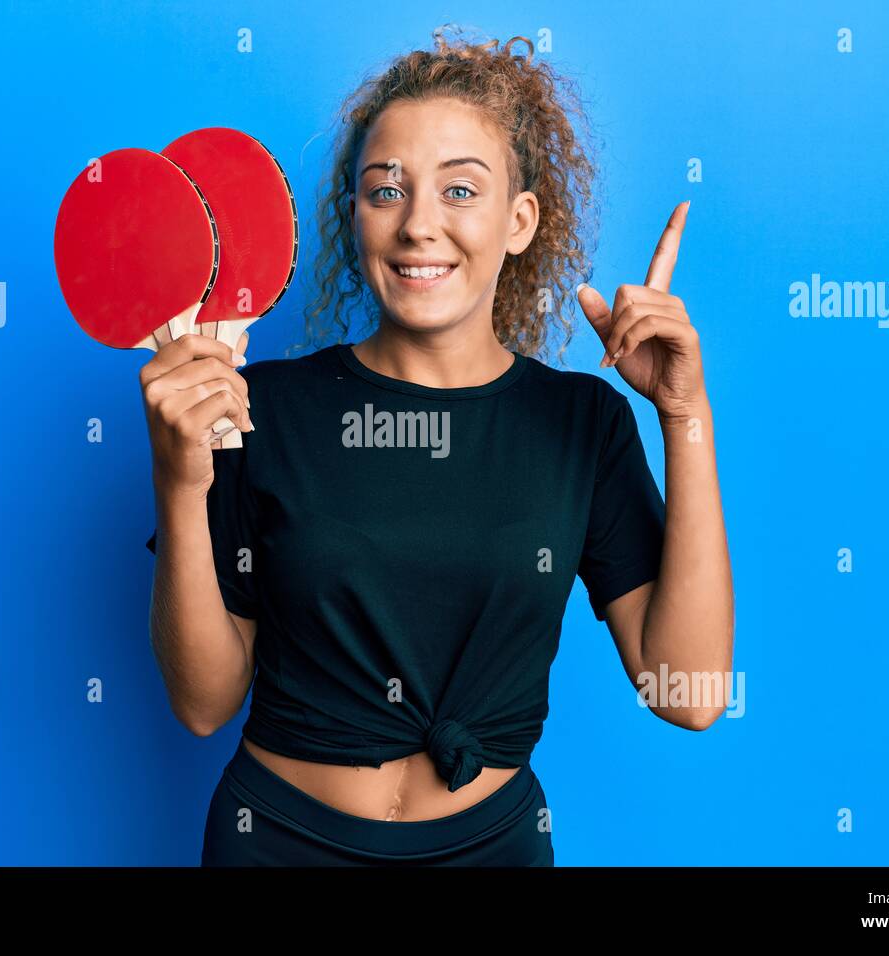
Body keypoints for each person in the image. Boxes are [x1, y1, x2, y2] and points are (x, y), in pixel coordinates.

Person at [140, 28, 733, 866]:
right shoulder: (256, 408)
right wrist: (178, 478)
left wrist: (683, 412)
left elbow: (694, 692)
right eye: (386, 190)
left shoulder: (582, 424)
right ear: (356, 215)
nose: (420, 224)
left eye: (460, 190)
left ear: (520, 221)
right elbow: (202, 704)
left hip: (491, 847)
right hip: (275, 842)